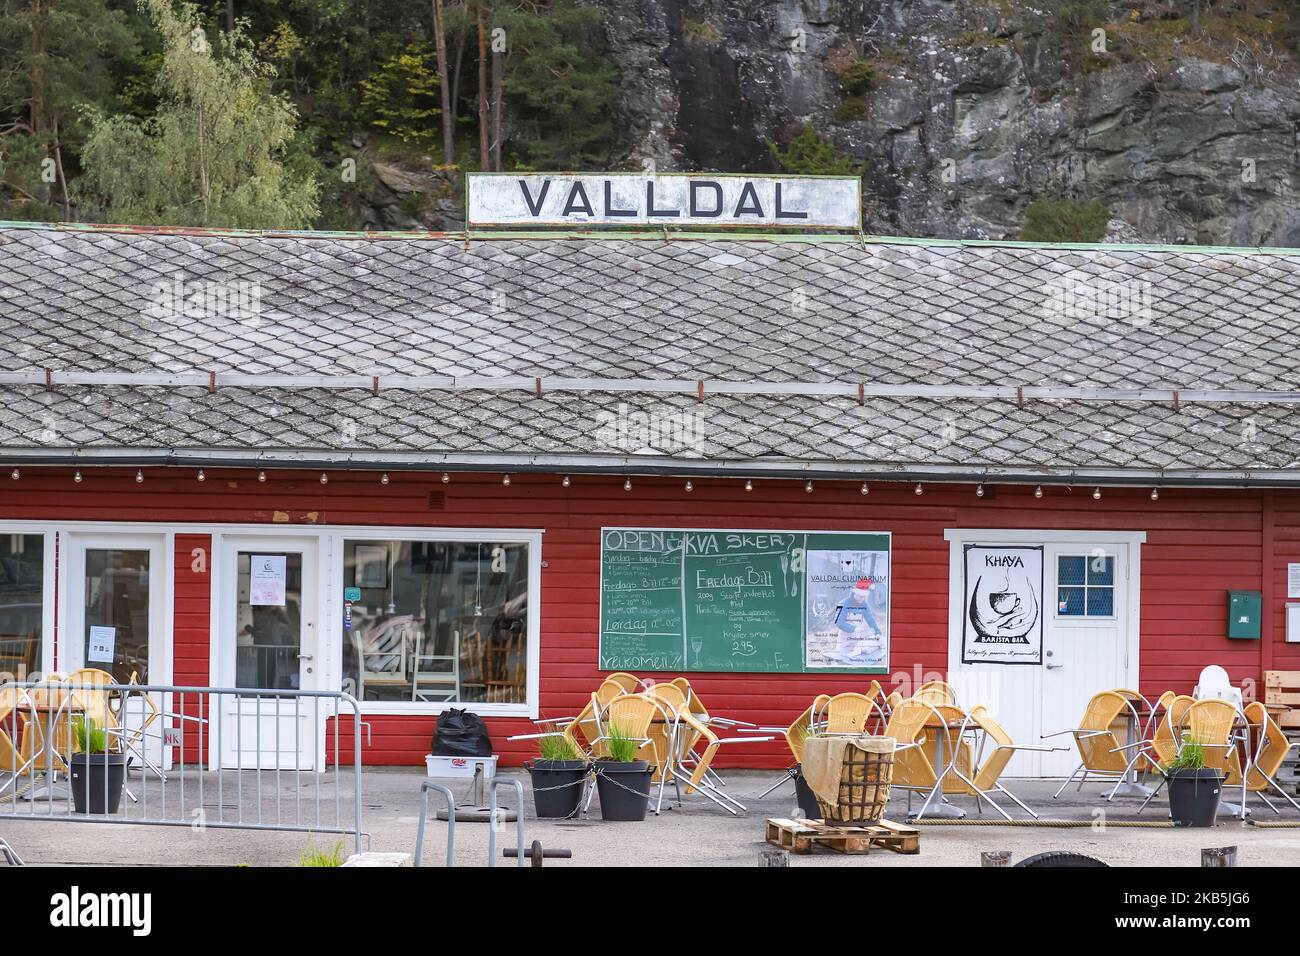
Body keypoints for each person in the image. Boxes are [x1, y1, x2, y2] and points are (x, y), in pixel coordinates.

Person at [831, 577, 883, 661]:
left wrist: (877, 633)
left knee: (855, 659)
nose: (861, 599)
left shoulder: (865, 605)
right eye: (860, 596)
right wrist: (854, 628)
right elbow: (838, 622)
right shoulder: (843, 603)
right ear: (854, 593)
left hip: (856, 640)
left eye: (863, 597)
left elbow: (871, 620)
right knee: (842, 660)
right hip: (844, 639)